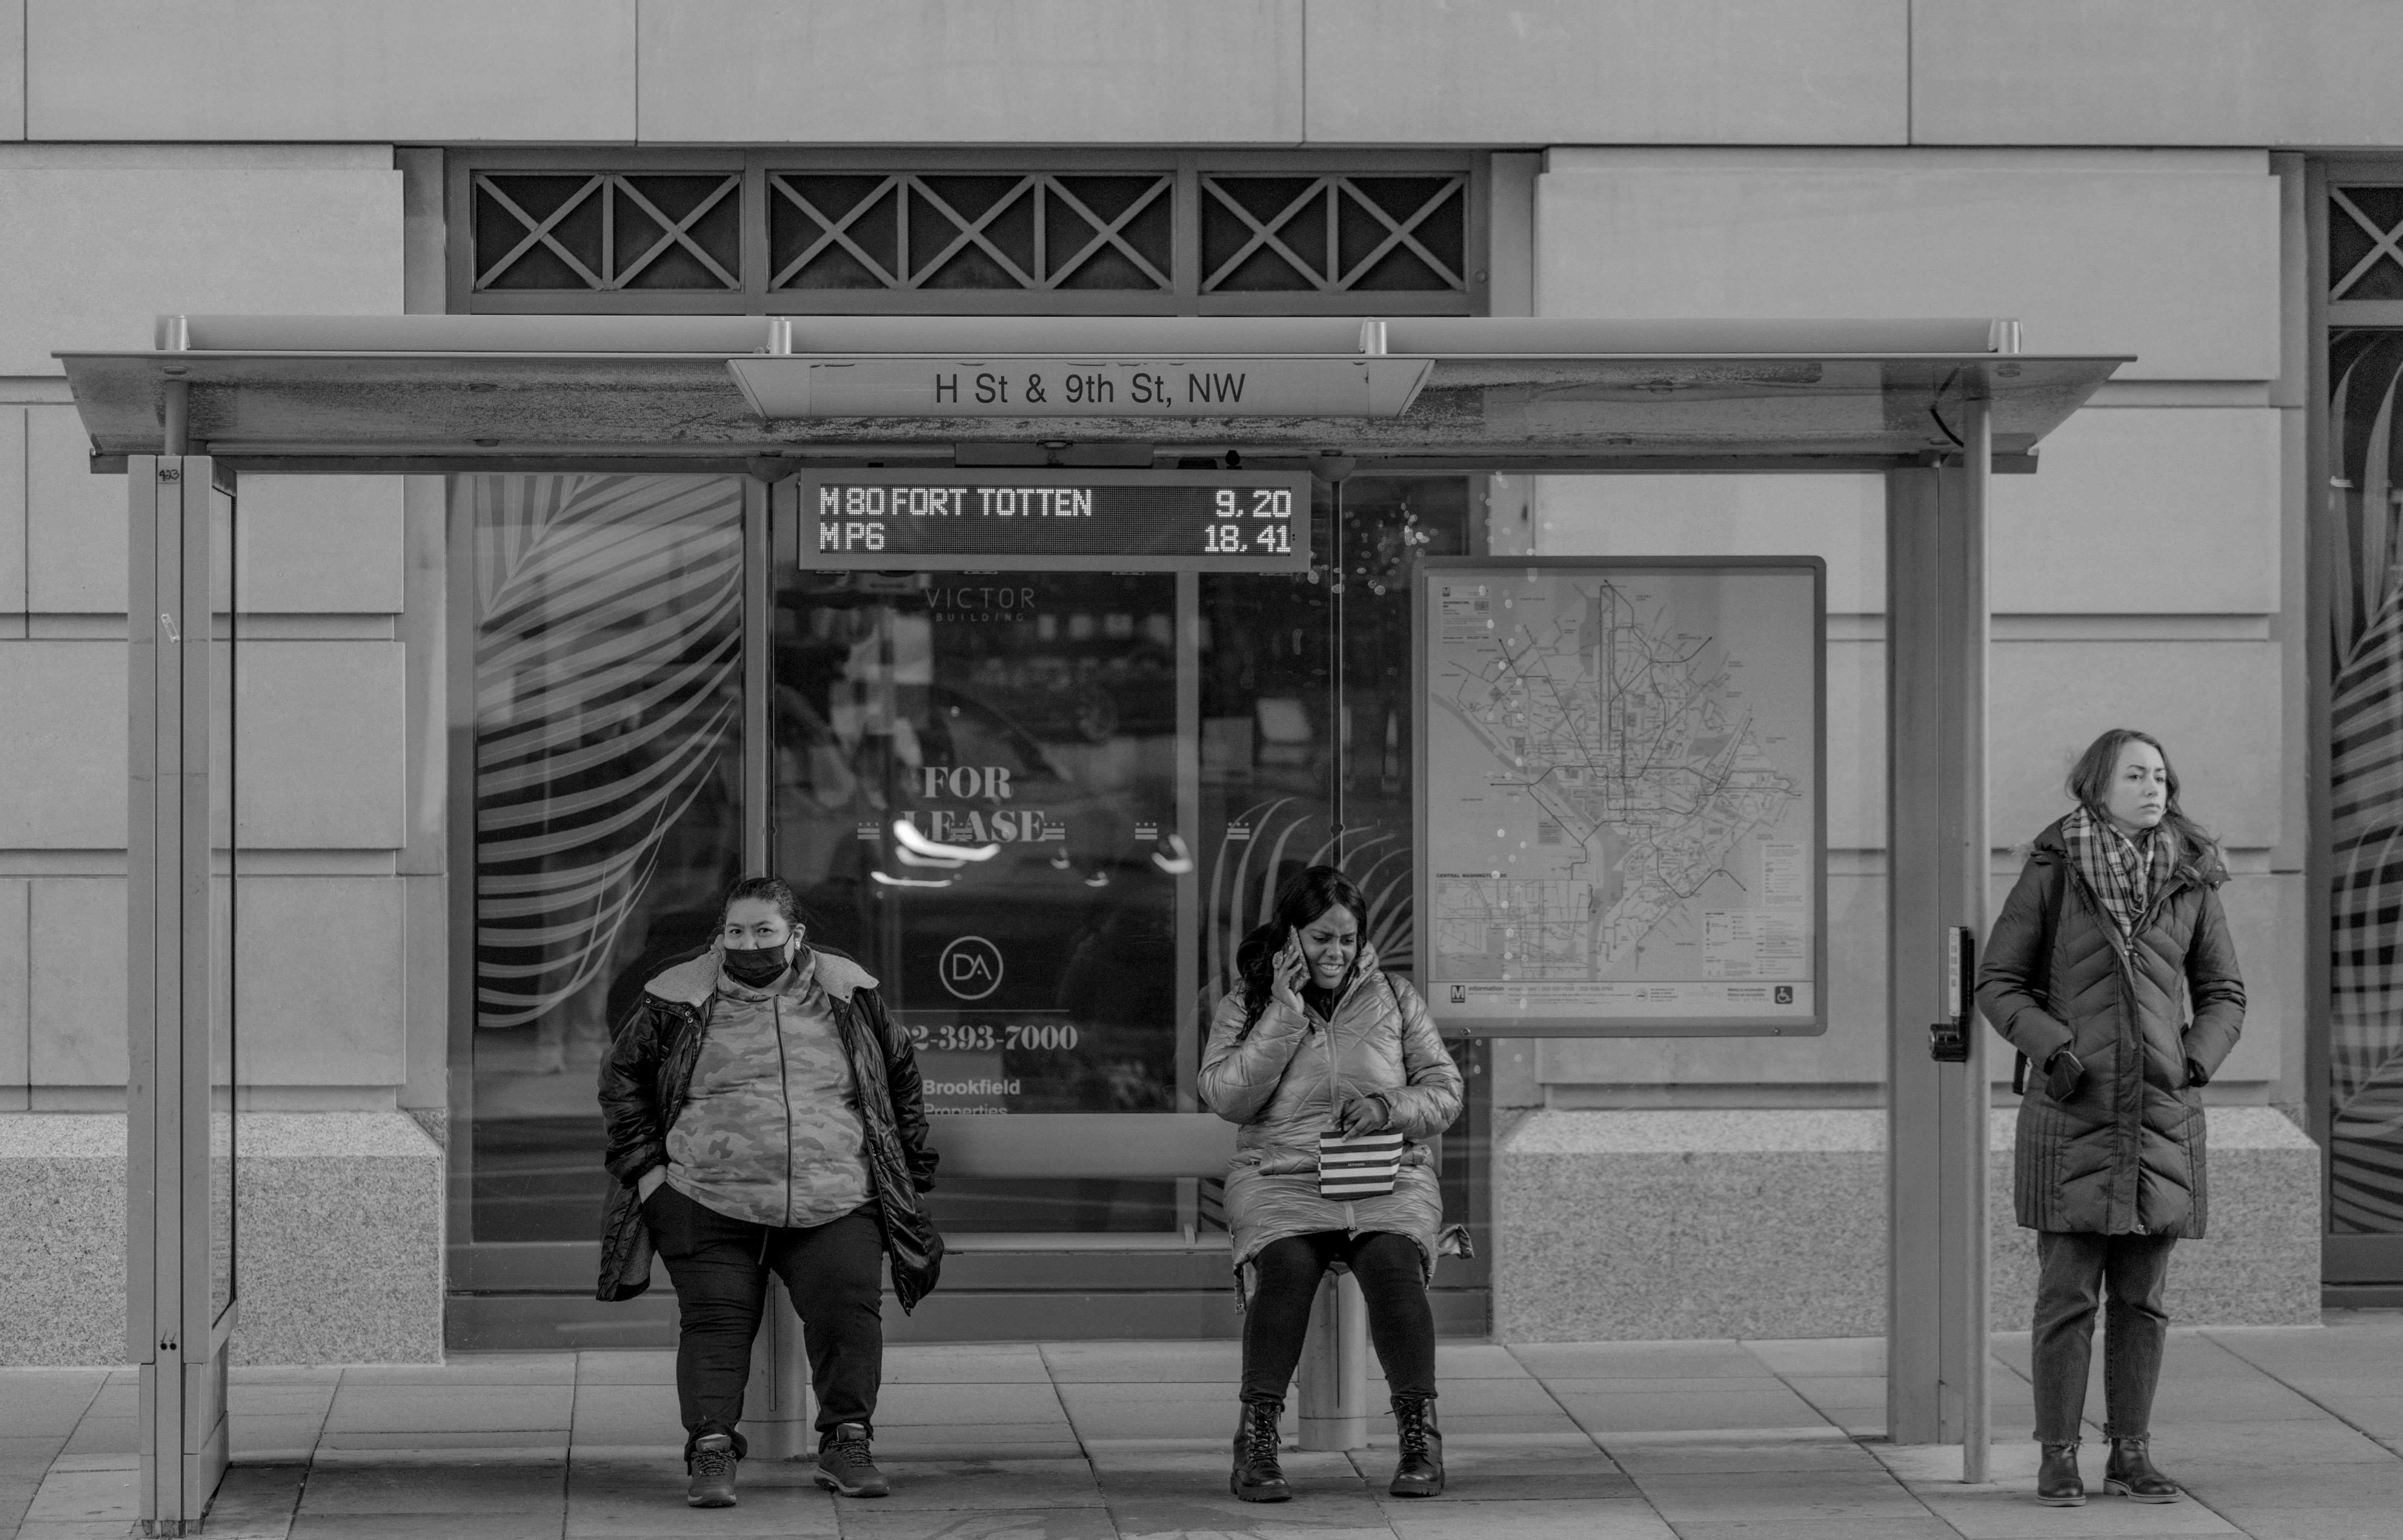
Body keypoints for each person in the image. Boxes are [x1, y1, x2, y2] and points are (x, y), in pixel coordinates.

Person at [596, 877, 941, 1506]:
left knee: (847, 1316)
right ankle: (712, 1452)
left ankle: (846, 1441)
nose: (748, 943)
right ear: (719, 935)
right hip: (705, 1197)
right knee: (716, 1325)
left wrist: (906, 1180)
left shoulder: (849, 994)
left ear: (795, 935)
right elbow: (624, 1084)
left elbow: (900, 1081)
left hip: (835, 1196)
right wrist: (650, 1179)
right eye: (736, 931)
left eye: (764, 932)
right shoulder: (676, 1000)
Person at [1977, 729, 2244, 1509]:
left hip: (2160, 1117)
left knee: (2143, 1301)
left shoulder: (2193, 878)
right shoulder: (2053, 871)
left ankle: (2132, 1453)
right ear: (2099, 785)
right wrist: (2053, 1048)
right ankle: (2057, 1455)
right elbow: (1999, 982)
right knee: (2067, 1296)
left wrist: (2194, 1060)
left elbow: (2225, 993)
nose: (2154, 787)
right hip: (2072, 1114)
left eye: (2161, 775)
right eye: (2136, 774)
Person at [1200, 865, 1465, 1502]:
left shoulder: (1396, 999)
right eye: (1321, 938)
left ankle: (1418, 1438)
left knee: (1395, 1263)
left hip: (1384, 1175)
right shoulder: (1249, 1004)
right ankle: (1256, 1440)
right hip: (1281, 1174)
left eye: (1347, 939)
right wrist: (1285, 1016)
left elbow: (1445, 1091)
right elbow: (1227, 1097)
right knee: (1287, 1265)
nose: (1336, 953)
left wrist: (1388, 1107)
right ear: (1291, 937)